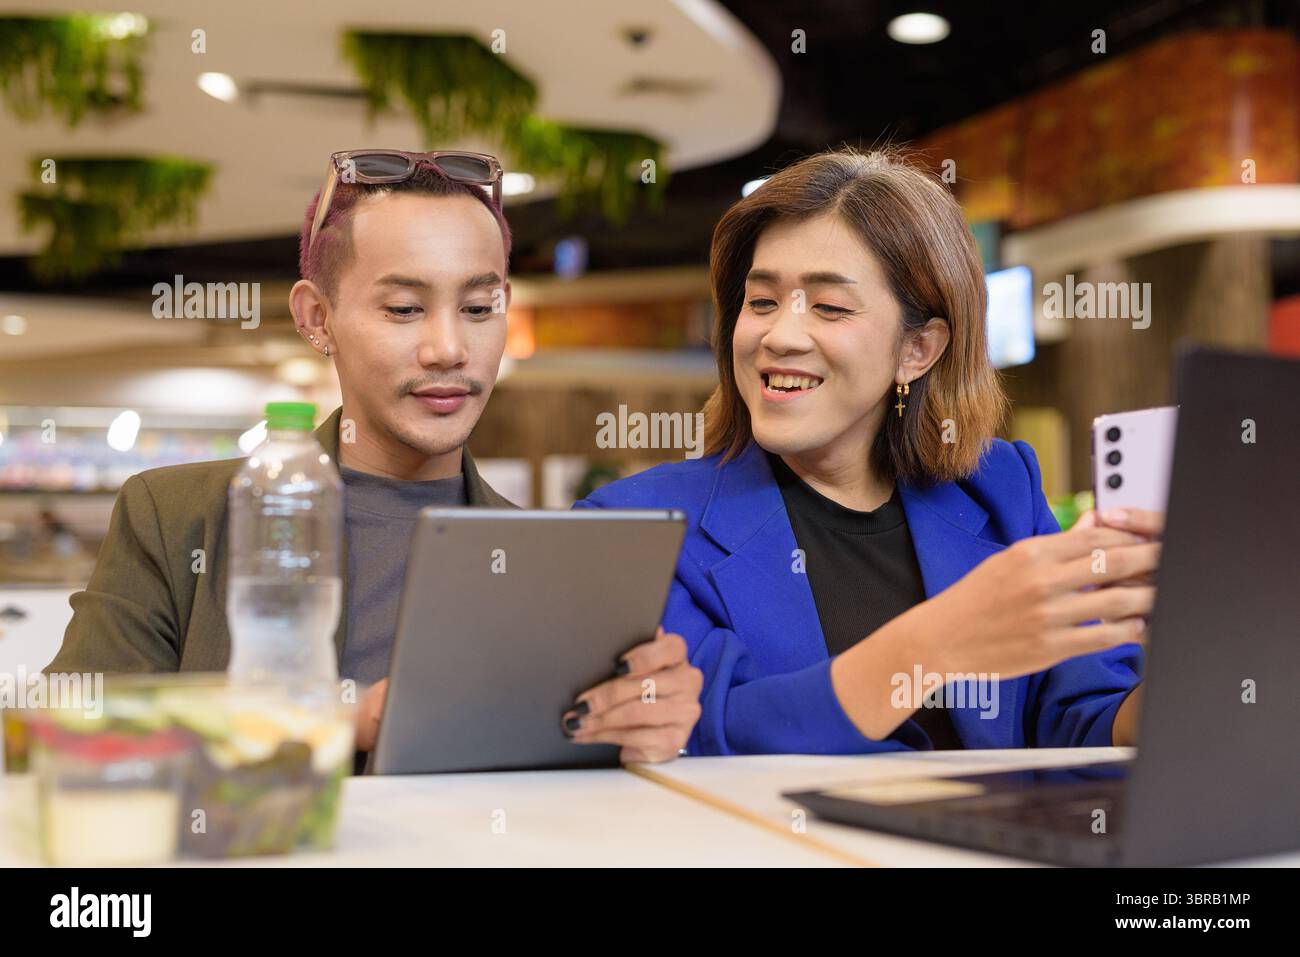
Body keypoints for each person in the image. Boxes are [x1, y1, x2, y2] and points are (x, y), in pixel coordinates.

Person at [48, 150, 700, 764]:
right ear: (316, 318)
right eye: (405, 308)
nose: (449, 347)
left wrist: (636, 731)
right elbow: (68, 733)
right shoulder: (177, 516)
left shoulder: (550, 560)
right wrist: (341, 720)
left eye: (479, 307)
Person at [573, 147, 1159, 756]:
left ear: (919, 349)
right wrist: (934, 644)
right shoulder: (631, 529)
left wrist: (1200, 667)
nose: (781, 335)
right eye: (762, 302)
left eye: (830, 307)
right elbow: (712, 728)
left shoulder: (1000, 487)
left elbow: (1083, 719)